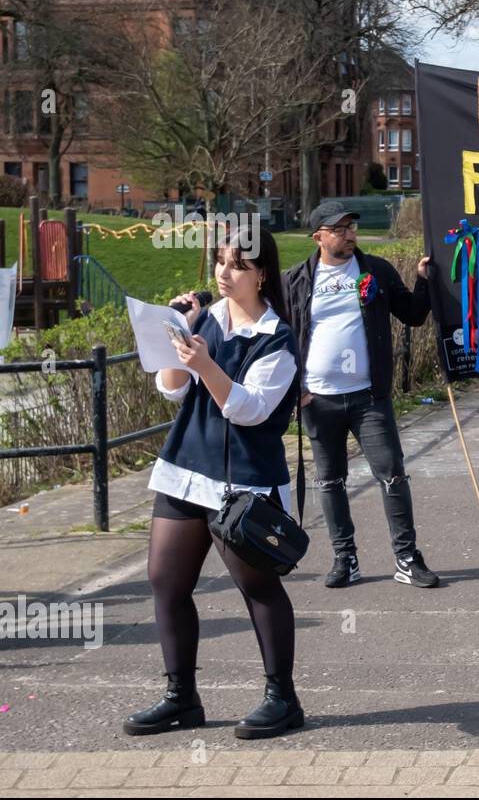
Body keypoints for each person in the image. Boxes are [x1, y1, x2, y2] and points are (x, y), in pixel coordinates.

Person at [125, 224, 304, 739]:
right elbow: (170, 389)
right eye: (220, 262)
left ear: (262, 274)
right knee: (166, 581)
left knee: (257, 586)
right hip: (186, 469)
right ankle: (181, 697)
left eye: (238, 265)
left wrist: (205, 363)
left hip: (244, 482)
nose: (225, 273)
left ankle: (282, 698)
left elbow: (247, 410)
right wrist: (178, 334)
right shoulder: (206, 316)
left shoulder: (278, 338)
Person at [282, 201, 437, 589]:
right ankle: (344, 558)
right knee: (330, 481)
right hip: (318, 400)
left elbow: (414, 315)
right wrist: (292, 390)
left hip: (369, 397)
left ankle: (406, 557)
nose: (349, 235)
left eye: (351, 227)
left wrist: (424, 280)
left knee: (392, 475)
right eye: (339, 229)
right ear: (318, 237)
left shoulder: (377, 271)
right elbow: (278, 338)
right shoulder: (296, 281)